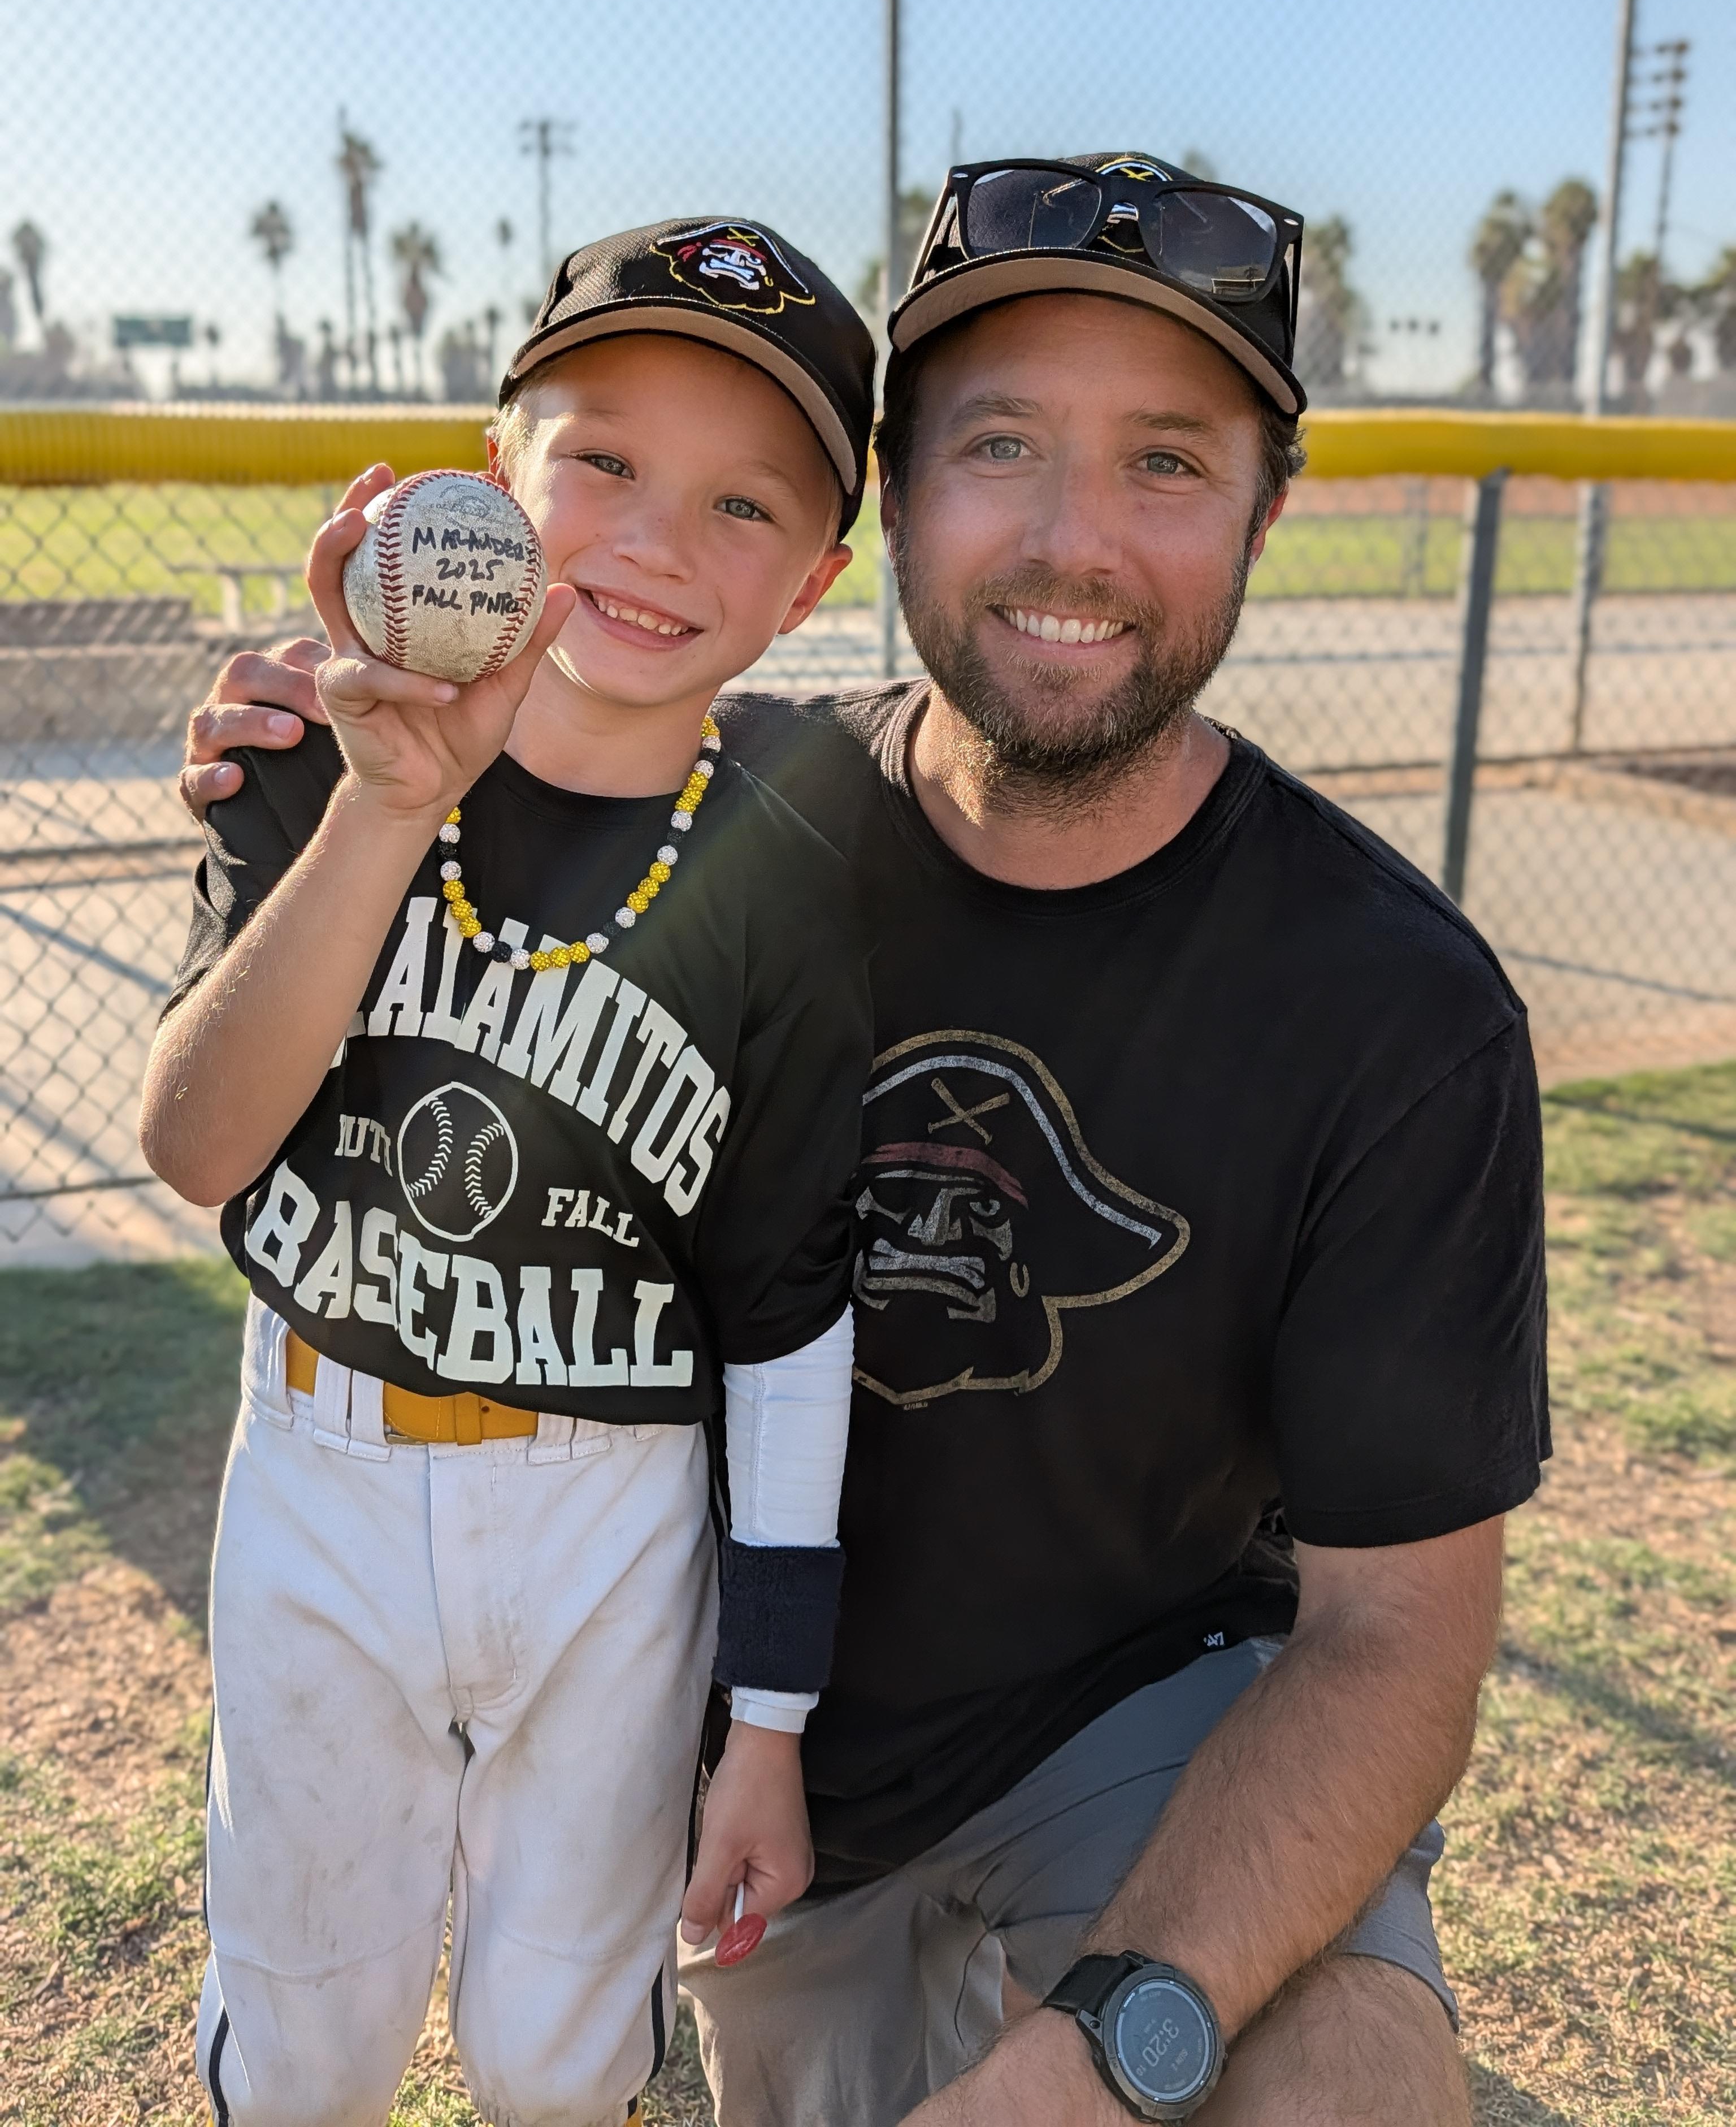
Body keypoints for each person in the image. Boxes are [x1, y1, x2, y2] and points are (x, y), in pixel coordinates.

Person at [180, 153, 1549, 2127]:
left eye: (1168, 460)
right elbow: (517, 748)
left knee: (1331, 2082)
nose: (1072, 540)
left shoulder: (1393, 1008)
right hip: (759, 1759)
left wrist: (1115, 2048)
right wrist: (305, 742)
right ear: (898, 505)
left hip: (1131, 1731)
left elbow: (1400, 1637)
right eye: (1000, 445)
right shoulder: (736, 799)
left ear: (1269, 505)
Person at [144, 219, 881, 2127]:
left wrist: (772, 1728)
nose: (652, 540)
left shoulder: (790, 885)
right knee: (304, 2025)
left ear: (813, 584)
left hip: (613, 1513)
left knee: (562, 2043)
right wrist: (390, 802)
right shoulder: (327, 749)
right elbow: (196, 1143)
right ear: (497, 468)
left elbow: (790, 1328)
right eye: (605, 461)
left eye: (742, 504)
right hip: (320, 1462)